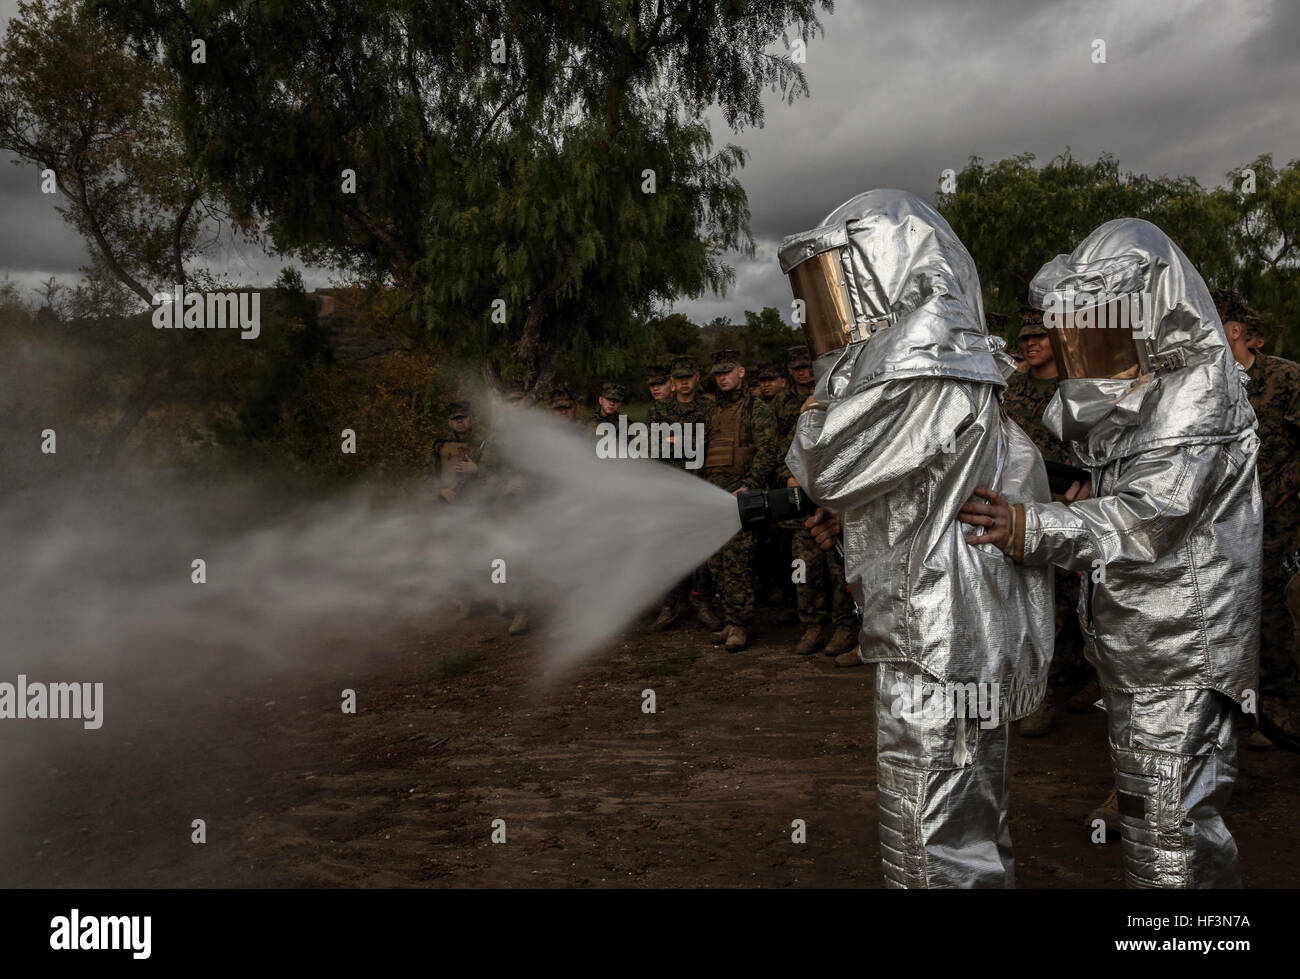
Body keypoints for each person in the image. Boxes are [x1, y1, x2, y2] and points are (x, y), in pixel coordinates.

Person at [965, 219, 1260, 888]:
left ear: (1148, 312)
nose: (1085, 349)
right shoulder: (1156, 388)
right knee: (1154, 827)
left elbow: (1149, 517)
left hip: (1183, 652)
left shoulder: (1196, 392)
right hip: (1143, 647)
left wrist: (1028, 527)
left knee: (1173, 834)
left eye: (1098, 326)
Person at [781, 189, 1054, 888]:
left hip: (936, 647)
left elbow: (824, 464)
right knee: (971, 824)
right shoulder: (964, 357)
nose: (827, 312)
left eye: (836, 284)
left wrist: (824, 392)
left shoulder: (922, 361)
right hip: (964, 637)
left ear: (882, 270)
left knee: (929, 840)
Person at [999, 308, 1093, 737]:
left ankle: (1087, 674)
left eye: (1039, 337)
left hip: (1076, 504)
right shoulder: (1010, 389)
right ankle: (1045, 688)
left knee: (1084, 599)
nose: (1030, 344)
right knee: (1040, 598)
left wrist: (1090, 485)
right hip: (1025, 506)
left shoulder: (1077, 387)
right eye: (1025, 339)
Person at [1215, 289, 1300, 744]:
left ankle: (1281, 706)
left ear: (1233, 330)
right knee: (1225, 609)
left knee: (1269, 609)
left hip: (1275, 521)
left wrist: (1280, 489)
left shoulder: (1285, 378)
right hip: (1217, 521)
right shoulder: (1207, 385)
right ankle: (1230, 705)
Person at [702, 348, 779, 651]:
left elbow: (767, 451)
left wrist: (749, 485)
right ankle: (730, 620)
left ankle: (740, 625)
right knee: (717, 562)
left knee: (736, 563)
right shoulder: (713, 411)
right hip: (713, 497)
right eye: (718, 373)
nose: (722, 377)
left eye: (728, 371)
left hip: (739, 499)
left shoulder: (755, 410)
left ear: (741, 372)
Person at [648, 356, 720, 631]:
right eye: (678, 378)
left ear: (697, 377)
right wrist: (688, 441)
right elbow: (654, 445)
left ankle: (702, 603)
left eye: (688, 377)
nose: (683, 382)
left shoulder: (710, 407)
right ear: (672, 381)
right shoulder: (660, 409)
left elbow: (713, 443)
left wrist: (677, 439)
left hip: (700, 486)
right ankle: (669, 605)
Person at [430, 401, 483, 505]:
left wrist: (477, 469)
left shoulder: (482, 445)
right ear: (449, 422)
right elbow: (428, 475)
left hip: (476, 503)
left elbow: (497, 475)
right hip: (444, 502)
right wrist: (441, 490)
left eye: (463, 418)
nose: (459, 421)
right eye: (455, 418)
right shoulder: (440, 445)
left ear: (470, 419)